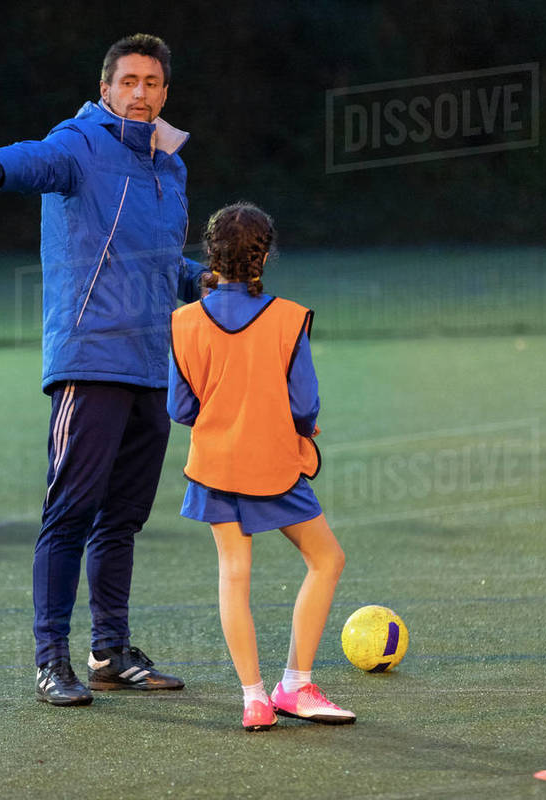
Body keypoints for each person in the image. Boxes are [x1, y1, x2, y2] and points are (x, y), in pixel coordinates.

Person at [0, 33, 207, 705]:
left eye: (152, 82)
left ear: (165, 93)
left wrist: (203, 282)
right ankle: (49, 659)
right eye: (129, 81)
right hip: (91, 358)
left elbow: (155, 263)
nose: (140, 93)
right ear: (106, 90)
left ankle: (110, 653)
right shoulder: (82, 142)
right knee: (70, 513)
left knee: (121, 520)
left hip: (152, 365)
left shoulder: (167, 167)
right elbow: (38, 160)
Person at [168, 203, 353, 731]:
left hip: (215, 468)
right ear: (264, 257)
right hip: (275, 464)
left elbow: (180, 410)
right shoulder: (290, 318)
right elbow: (305, 406)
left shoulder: (182, 322)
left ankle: (254, 700)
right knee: (326, 559)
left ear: (211, 257)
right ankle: (294, 684)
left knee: (234, 574)